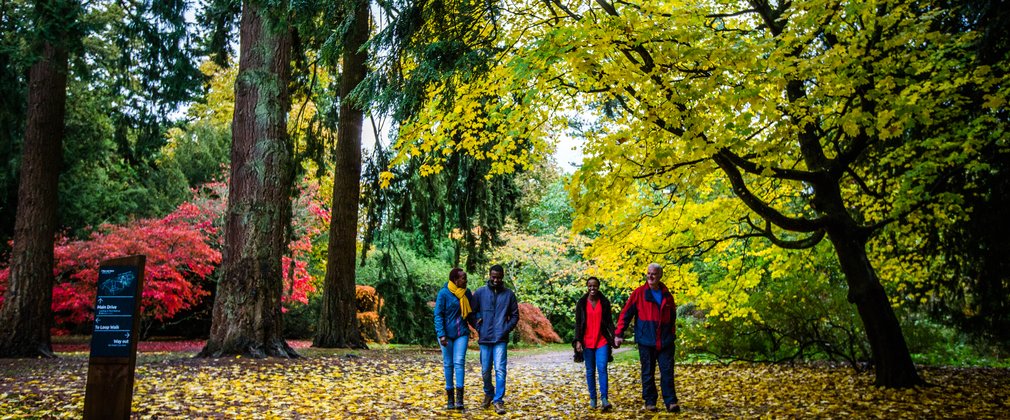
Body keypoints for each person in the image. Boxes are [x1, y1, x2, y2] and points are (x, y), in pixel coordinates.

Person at [614, 263, 681, 413]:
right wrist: (618, 333)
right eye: (648, 273)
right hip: (646, 340)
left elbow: (672, 317)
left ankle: (671, 402)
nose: (650, 276)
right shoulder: (638, 293)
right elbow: (626, 314)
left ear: (660, 276)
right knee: (647, 372)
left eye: (654, 274)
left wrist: (672, 334)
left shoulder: (667, 295)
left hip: (666, 341)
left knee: (667, 372)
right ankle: (650, 402)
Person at [472, 264, 519, 415]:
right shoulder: (480, 293)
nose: (496, 280)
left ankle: (498, 400)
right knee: (485, 370)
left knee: (500, 370)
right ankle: (488, 393)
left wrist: (505, 328)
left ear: (502, 277)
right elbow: (472, 313)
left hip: (500, 338)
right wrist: (478, 325)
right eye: (493, 277)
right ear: (489, 275)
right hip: (485, 338)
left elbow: (515, 316)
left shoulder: (509, 294)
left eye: (499, 277)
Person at [434, 267, 475, 410]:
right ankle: (450, 399)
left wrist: (479, 325)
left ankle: (459, 400)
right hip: (446, 335)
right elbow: (438, 315)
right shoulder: (444, 293)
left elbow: (470, 314)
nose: (466, 280)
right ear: (455, 280)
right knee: (448, 363)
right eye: (463, 278)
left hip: (461, 333)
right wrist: (441, 334)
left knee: (459, 362)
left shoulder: (467, 293)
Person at [573, 276, 616, 412]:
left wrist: (614, 336)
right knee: (590, 371)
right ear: (587, 287)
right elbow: (578, 324)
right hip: (587, 342)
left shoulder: (604, 302)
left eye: (595, 286)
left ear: (598, 287)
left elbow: (609, 322)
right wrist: (578, 340)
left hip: (601, 341)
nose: (592, 288)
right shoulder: (581, 303)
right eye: (590, 286)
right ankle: (593, 398)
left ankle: (604, 399)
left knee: (602, 368)